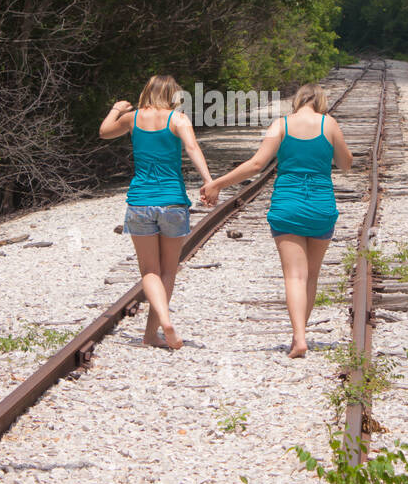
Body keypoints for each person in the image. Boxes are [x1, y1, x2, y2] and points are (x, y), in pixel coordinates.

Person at [201, 83, 352, 358]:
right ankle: (301, 334)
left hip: (288, 206)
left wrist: (218, 184)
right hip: (321, 206)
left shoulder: (281, 125)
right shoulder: (328, 124)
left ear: (297, 101)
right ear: (320, 101)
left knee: (294, 275)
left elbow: (257, 164)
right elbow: (346, 163)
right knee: (311, 275)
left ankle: (299, 338)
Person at [99, 75, 213, 350]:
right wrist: (209, 181)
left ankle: (156, 329)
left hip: (140, 202)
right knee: (168, 272)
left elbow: (104, 132)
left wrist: (116, 109)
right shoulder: (178, 119)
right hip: (173, 202)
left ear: (146, 92)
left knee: (150, 271)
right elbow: (192, 148)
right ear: (174, 94)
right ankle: (159, 326)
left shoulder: (133, 119)